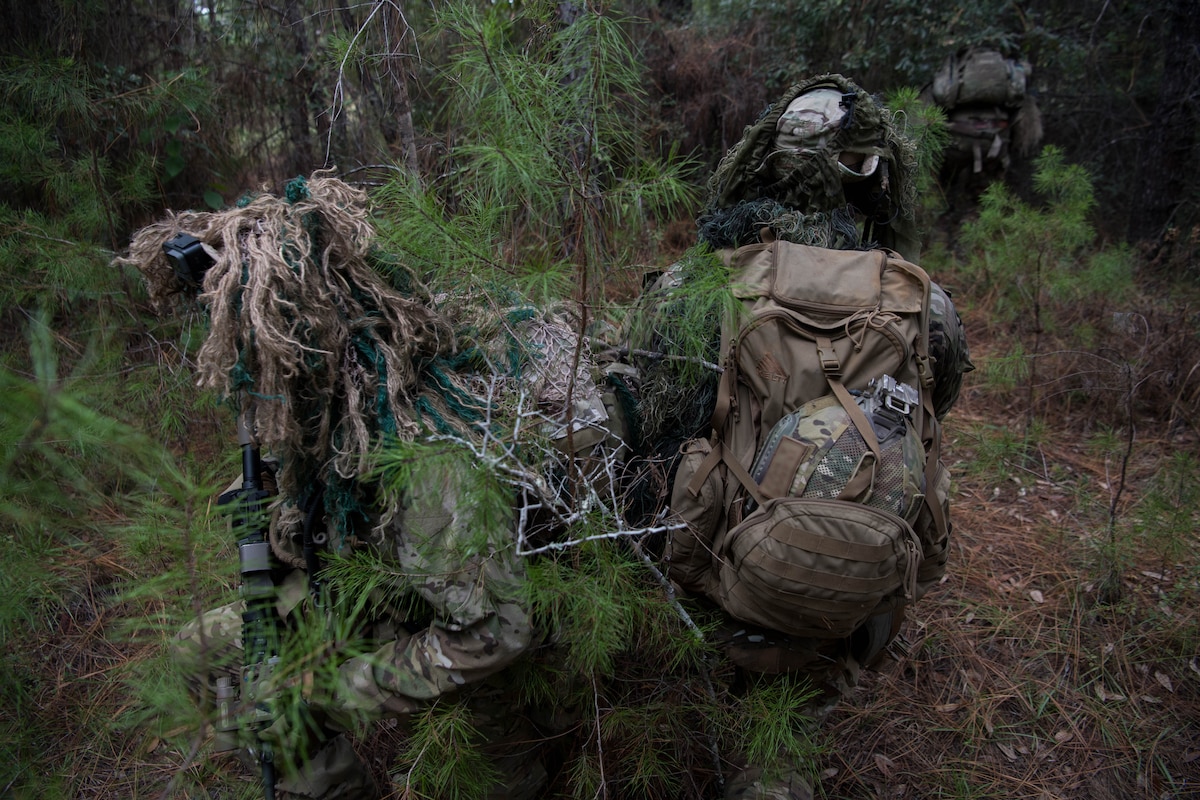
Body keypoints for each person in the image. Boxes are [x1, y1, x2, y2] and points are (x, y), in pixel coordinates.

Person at [624, 74, 974, 800]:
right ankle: (792, 728)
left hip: (722, 565)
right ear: (870, 173)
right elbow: (935, 411)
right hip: (857, 580)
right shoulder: (923, 301)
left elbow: (650, 425)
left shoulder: (697, 284)